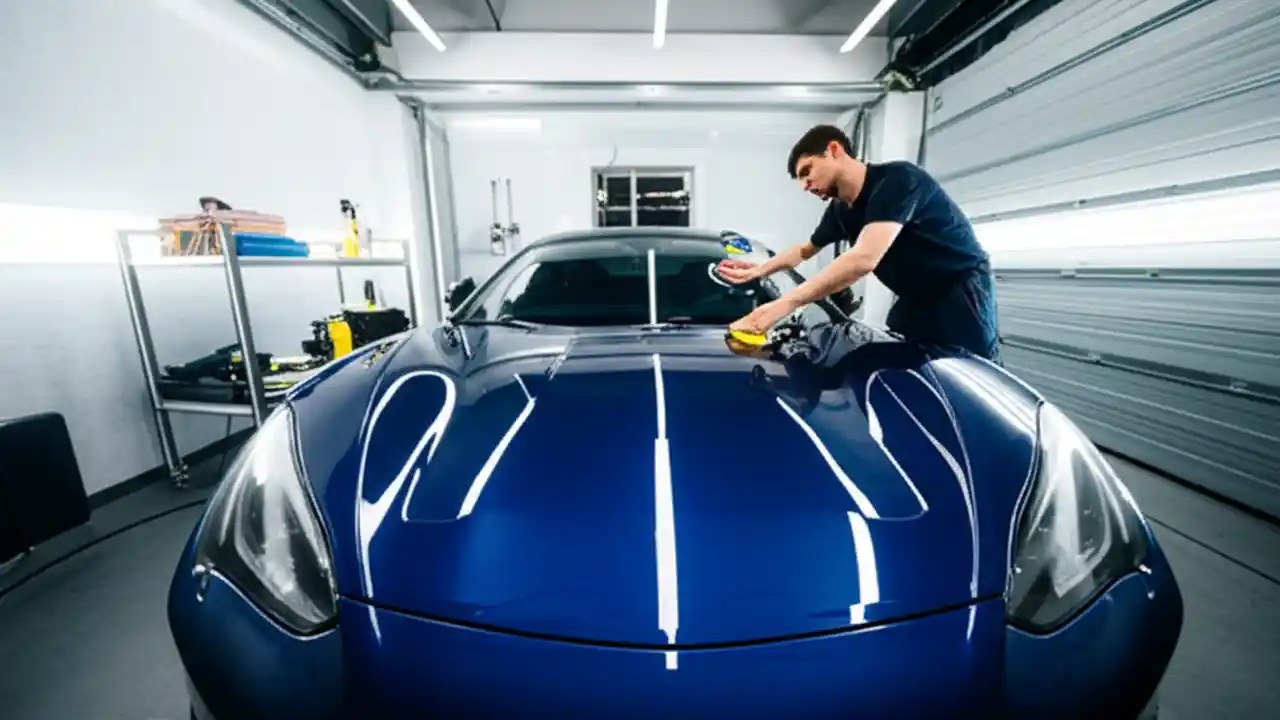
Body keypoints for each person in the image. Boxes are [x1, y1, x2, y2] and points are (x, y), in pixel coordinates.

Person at [724, 124, 1001, 364]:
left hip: (961, 289)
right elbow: (803, 251)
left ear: (834, 150)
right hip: (915, 300)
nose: (805, 186)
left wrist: (784, 305)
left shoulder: (899, 180)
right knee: (914, 376)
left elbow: (863, 259)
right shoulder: (841, 211)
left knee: (976, 378)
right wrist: (758, 270)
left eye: (807, 171)